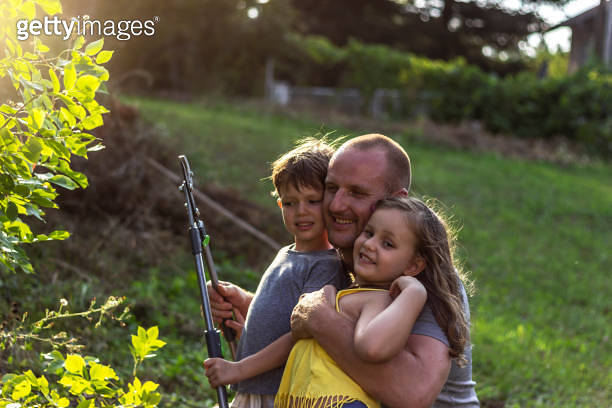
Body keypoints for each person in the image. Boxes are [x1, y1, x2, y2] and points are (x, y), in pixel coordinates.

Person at [211, 134, 478, 407]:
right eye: (331, 188)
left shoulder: (425, 279)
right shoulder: (344, 261)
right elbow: (326, 322)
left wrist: (319, 319)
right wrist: (250, 306)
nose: (336, 205)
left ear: (395, 200)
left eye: (357, 193)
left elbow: (411, 394)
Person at [275, 196, 469, 408]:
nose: (369, 244)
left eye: (387, 244)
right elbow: (297, 340)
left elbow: (372, 347)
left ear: (413, 266)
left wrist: (414, 293)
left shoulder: (385, 301)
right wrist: (240, 368)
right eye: (368, 233)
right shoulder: (352, 293)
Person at [203, 138, 347, 408]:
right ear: (280, 205)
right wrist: (243, 301)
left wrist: (239, 368)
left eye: (312, 200)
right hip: (254, 389)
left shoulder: (325, 265)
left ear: (331, 201)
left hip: (279, 394)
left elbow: (301, 333)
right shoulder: (287, 253)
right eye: (290, 203)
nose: (300, 211)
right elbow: (286, 311)